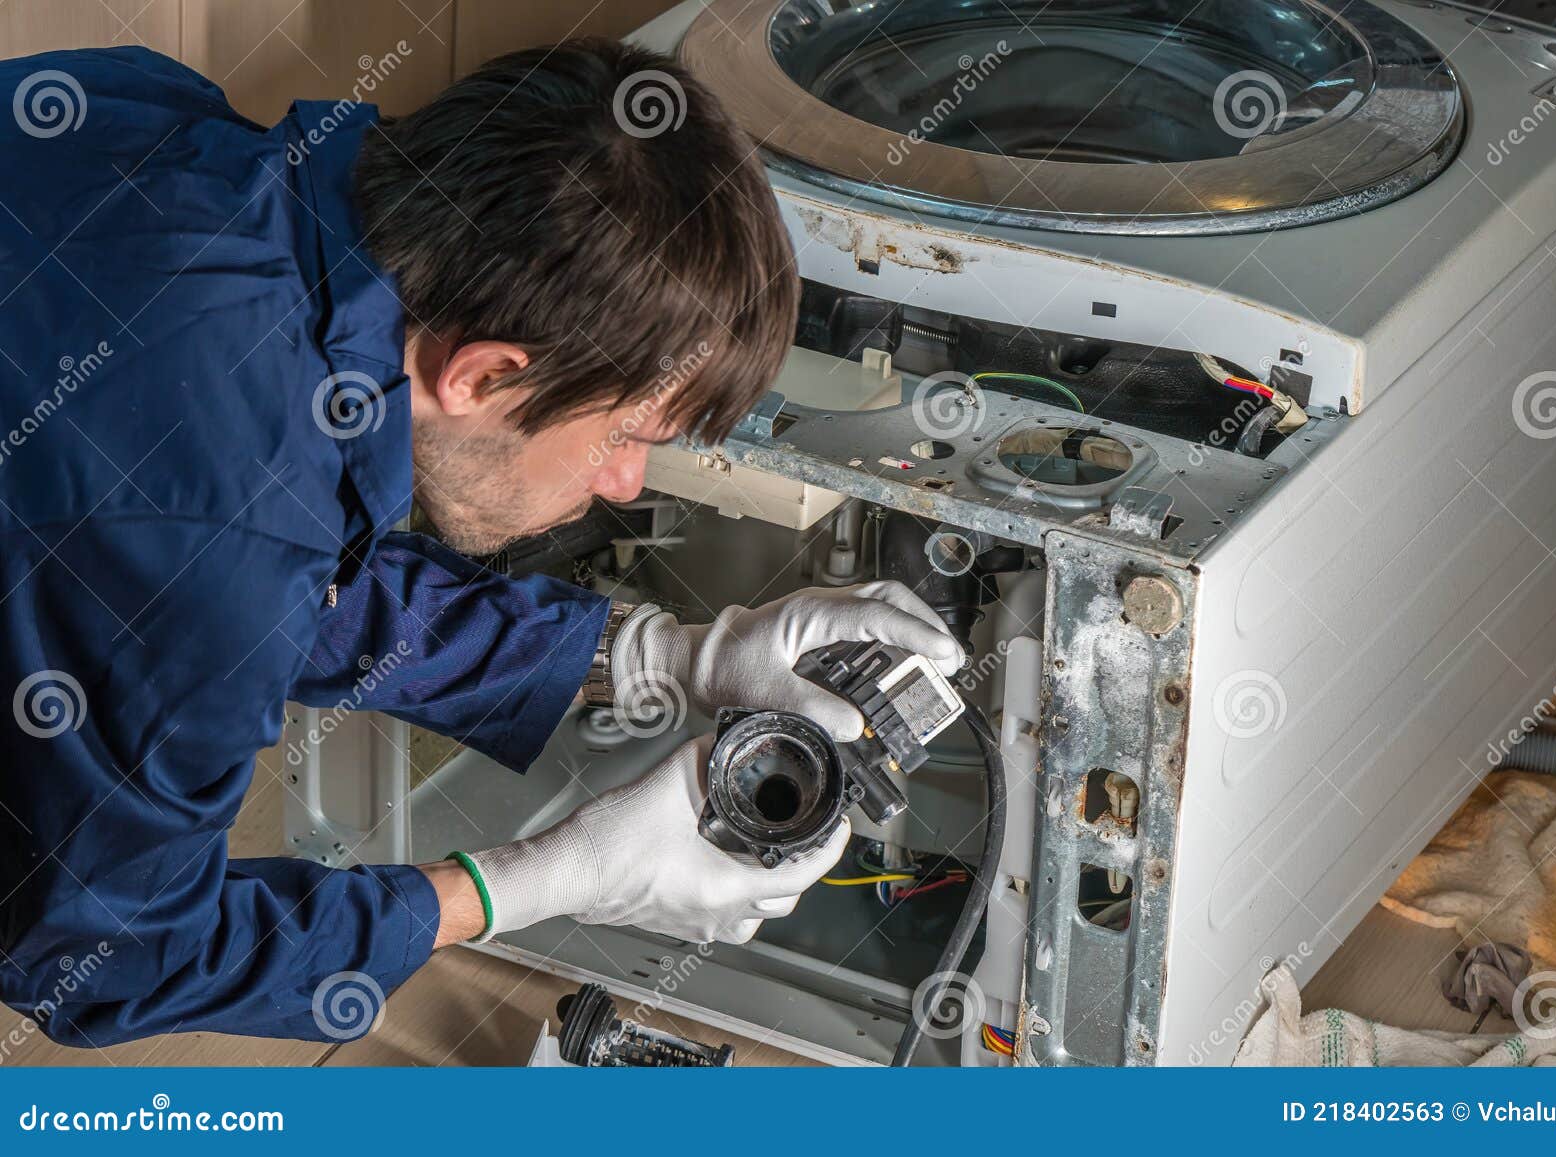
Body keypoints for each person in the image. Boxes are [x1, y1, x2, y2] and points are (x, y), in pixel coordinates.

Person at [0, 39, 961, 1045]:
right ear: (485, 377)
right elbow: (109, 959)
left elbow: (259, 567)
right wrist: (537, 878)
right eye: (626, 433)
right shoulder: (216, 529)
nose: (624, 482)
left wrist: (669, 657)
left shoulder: (153, 116)